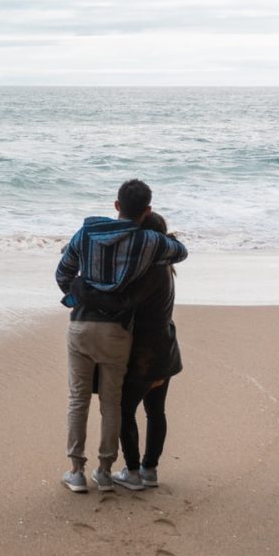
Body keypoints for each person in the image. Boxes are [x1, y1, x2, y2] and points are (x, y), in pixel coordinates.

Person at [54, 179, 187, 493]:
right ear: (147, 211)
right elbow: (180, 251)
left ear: (116, 205)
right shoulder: (152, 248)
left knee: (80, 401)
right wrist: (153, 242)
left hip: (92, 331)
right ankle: (108, 471)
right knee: (118, 405)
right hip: (133, 339)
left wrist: (79, 296)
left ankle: (80, 472)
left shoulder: (88, 233)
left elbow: (63, 274)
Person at [110, 210, 183, 492]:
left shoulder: (149, 270)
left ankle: (132, 471)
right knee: (155, 411)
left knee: (124, 410)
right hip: (165, 348)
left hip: (144, 354)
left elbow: (127, 304)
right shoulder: (165, 266)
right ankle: (149, 469)